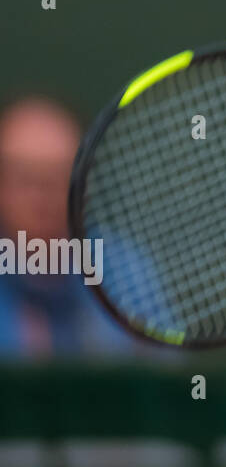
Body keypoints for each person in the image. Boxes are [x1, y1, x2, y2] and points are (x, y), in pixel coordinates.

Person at [0, 97, 136, 356]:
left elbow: (161, 383)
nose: (41, 198)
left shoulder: (124, 271)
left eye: (58, 177)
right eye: (24, 178)